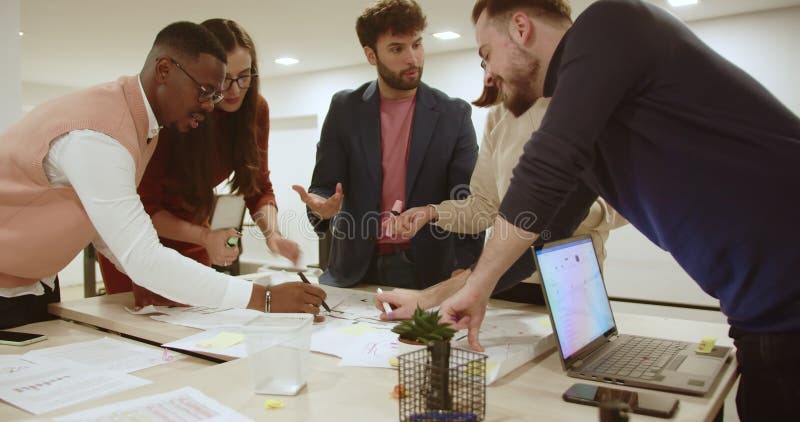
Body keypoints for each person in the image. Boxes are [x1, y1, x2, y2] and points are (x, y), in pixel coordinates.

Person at [439, 1, 800, 420]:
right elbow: (543, 232)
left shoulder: (610, 22)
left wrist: (477, 283)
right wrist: (454, 293)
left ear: (520, 28)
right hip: (762, 309)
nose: (488, 75)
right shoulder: (600, 114)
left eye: (486, 55)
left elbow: (546, 165)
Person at [0, 21, 325, 330]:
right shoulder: (100, 135)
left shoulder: (142, 123)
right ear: (165, 70)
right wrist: (263, 297)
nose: (211, 105)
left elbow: (106, 227)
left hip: (34, 281)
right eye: (206, 91)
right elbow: (141, 251)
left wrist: (145, 272)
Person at [97, 19, 308, 310]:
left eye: (244, 77)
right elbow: (145, 207)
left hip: (195, 233)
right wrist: (206, 236)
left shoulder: (255, 110)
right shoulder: (174, 111)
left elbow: (257, 187)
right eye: (224, 80)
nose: (234, 90)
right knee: (142, 329)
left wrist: (274, 234)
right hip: (138, 237)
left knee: (197, 327)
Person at [377, 85, 625, 318]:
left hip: (573, 274)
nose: (489, 73)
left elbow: (622, 201)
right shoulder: (499, 117)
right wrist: (432, 213)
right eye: (484, 61)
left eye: (490, 55)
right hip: (506, 280)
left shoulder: (587, 106)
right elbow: (484, 206)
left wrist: (576, 213)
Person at [293, 0, 484, 289]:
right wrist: (320, 207)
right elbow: (324, 186)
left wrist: (465, 264)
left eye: (417, 44)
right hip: (353, 267)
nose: (413, 58)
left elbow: (466, 197)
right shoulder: (345, 108)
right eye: (397, 48)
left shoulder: (453, 114)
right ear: (371, 55)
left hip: (425, 268)